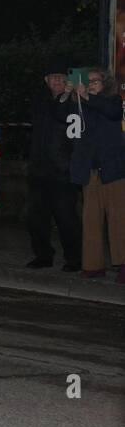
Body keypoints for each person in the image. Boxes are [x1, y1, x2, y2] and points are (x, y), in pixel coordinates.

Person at [70, 67, 125, 278]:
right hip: (90, 172)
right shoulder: (81, 104)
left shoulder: (112, 101)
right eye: (88, 81)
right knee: (91, 220)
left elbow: (113, 113)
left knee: (118, 220)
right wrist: (69, 94)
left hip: (114, 170)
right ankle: (93, 266)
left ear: (105, 83)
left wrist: (87, 96)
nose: (91, 84)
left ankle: (122, 265)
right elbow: (64, 120)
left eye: (95, 81)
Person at [26, 67, 81, 271]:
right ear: (46, 80)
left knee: (67, 217)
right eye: (53, 76)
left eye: (61, 76)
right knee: (36, 218)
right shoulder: (39, 100)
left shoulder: (74, 101)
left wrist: (67, 95)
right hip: (38, 169)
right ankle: (43, 255)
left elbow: (65, 120)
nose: (57, 80)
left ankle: (74, 259)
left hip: (63, 170)